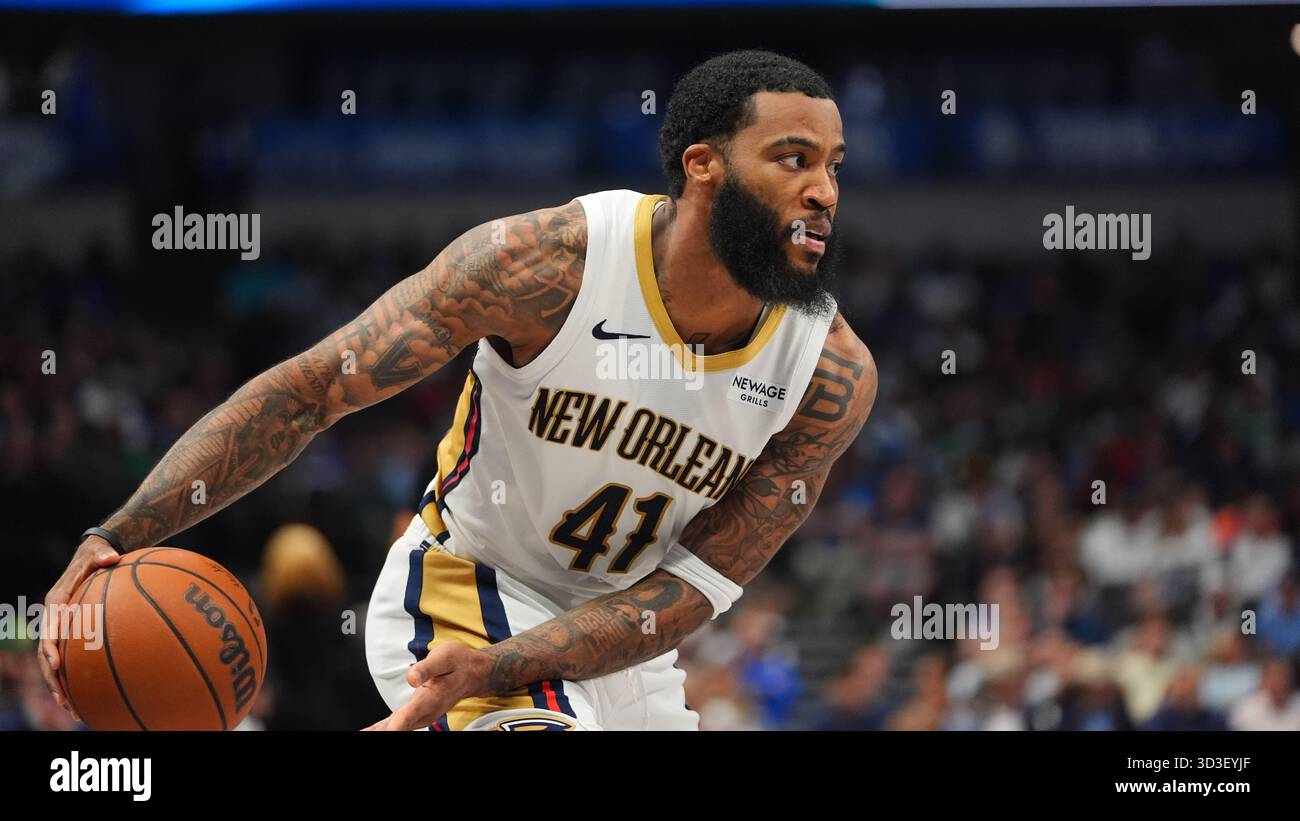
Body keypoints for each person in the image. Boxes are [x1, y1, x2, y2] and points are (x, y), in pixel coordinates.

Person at [40, 49, 877, 731]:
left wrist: (511, 665)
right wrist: (115, 531)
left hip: (623, 650)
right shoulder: (545, 267)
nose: (825, 191)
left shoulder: (829, 375)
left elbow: (690, 588)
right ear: (704, 167)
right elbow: (309, 393)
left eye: (834, 166)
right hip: (466, 594)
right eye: (793, 159)